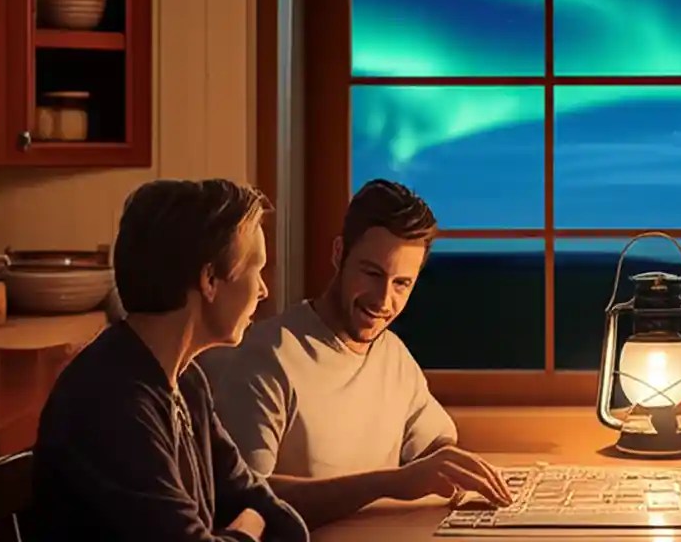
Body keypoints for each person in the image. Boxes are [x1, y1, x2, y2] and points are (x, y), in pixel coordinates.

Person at [201, 179, 512, 529]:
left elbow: (435, 442)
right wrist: (390, 482)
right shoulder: (268, 358)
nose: (383, 300)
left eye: (401, 284)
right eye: (372, 273)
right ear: (338, 254)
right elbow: (246, 499)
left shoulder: (392, 356)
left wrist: (446, 462)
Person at [29, 179, 308, 542]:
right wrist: (250, 529)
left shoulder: (186, 381)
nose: (264, 290)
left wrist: (254, 520)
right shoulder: (111, 403)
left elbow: (267, 510)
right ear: (210, 279)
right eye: (257, 269)